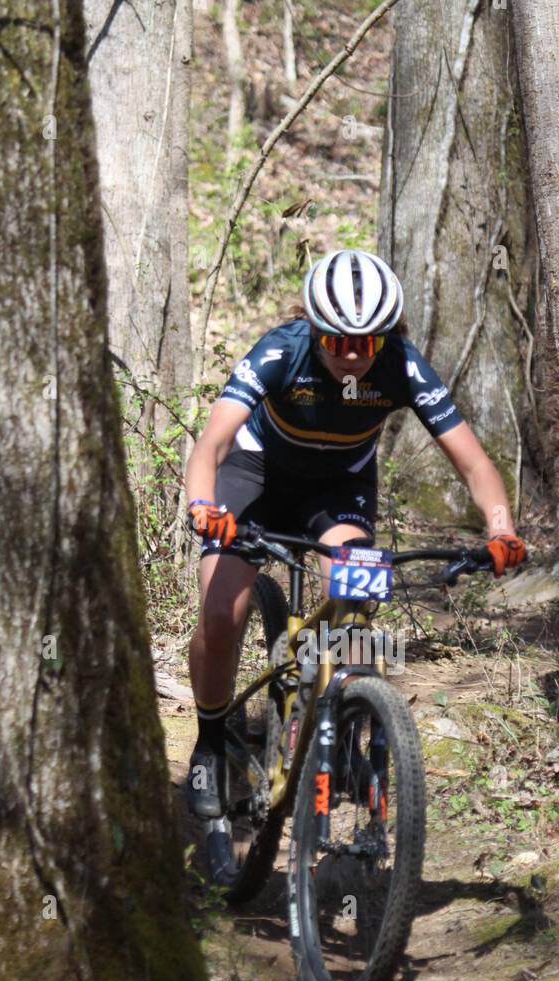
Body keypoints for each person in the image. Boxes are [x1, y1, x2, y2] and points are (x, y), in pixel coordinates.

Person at [185, 249, 526, 822]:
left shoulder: (401, 364)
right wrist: (201, 504)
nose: (350, 357)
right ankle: (211, 740)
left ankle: (346, 714)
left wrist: (502, 528)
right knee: (223, 611)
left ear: (385, 337)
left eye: (365, 344)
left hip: (338, 488)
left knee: (356, 595)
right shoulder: (280, 350)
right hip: (256, 476)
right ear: (314, 329)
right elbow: (212, 444)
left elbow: (473, 464)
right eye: (336, 341)